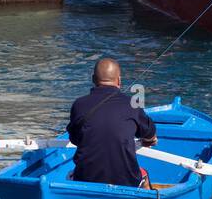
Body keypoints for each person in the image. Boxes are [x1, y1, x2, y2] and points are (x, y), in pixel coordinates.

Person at [66, 57, 158, 188]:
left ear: (93, 79)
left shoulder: (79, 105)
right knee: (144, 174)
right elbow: (150, 133)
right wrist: (149, 139)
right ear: (119, 80)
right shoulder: (133, 104)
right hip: (126, 182)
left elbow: (75, 140)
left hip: (85, 179)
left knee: (70, 175)